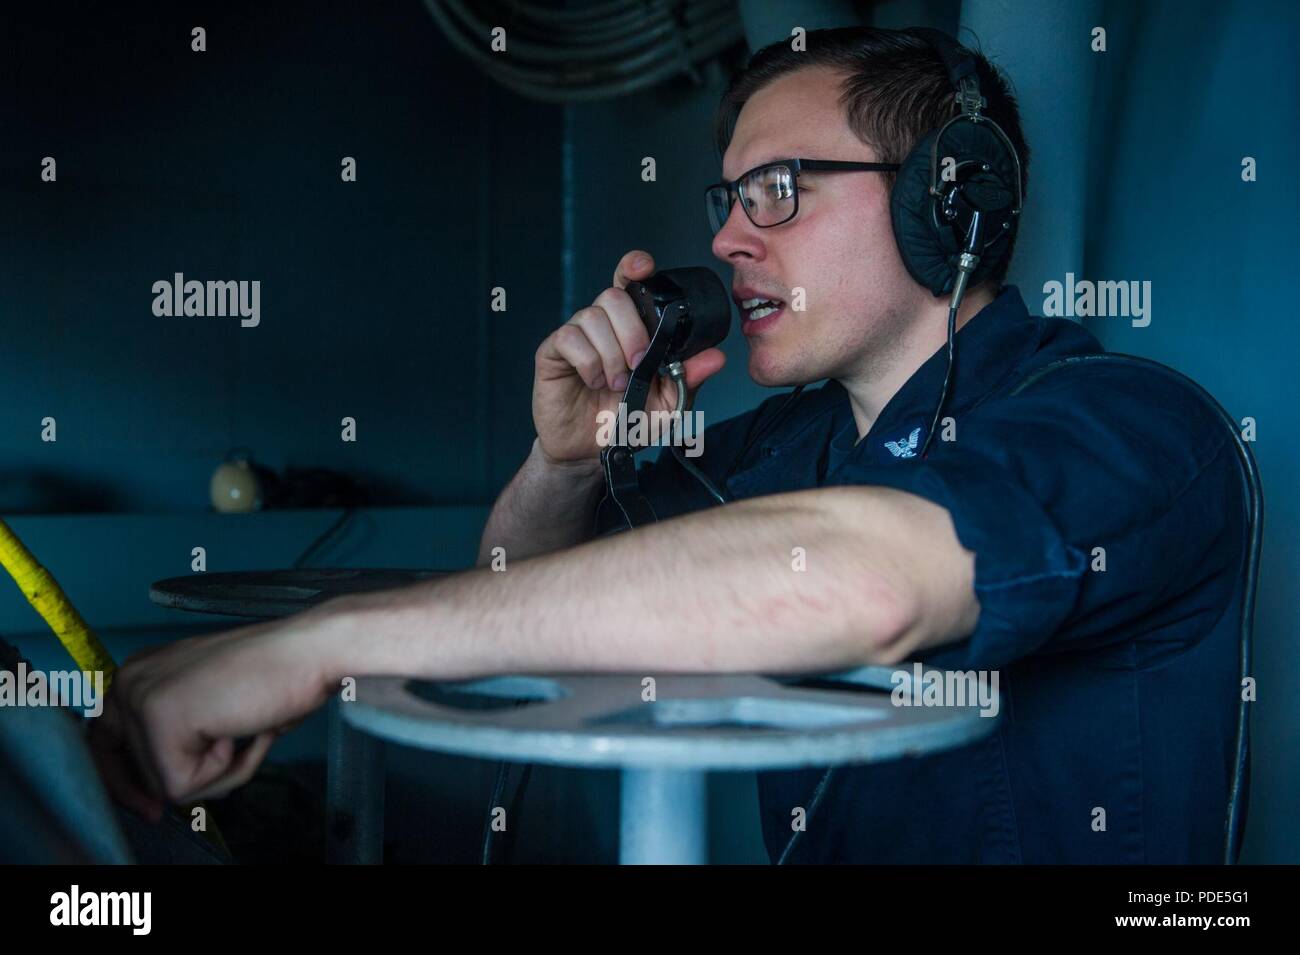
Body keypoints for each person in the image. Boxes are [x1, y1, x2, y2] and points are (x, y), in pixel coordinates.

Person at [89, 27, 1245, 863]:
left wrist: (317, 644)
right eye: (725, 200)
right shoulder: (777, 446)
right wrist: (567, 462)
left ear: (948, 204)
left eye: (779, 192)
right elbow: (526, 600)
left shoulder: (1132, 424)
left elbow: (872, 577)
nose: (729, 238)